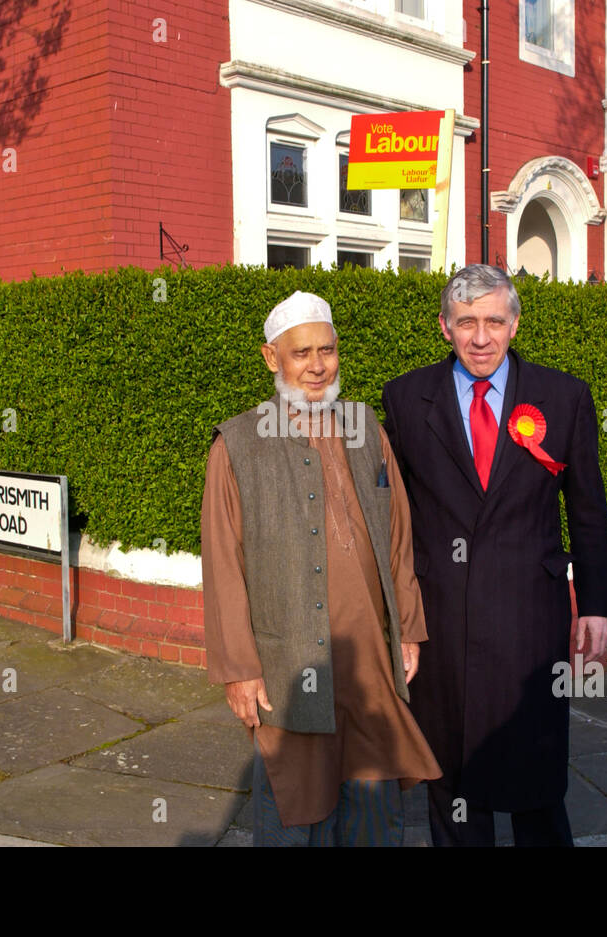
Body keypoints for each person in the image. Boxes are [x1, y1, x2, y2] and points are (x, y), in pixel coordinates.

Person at [381, 264, 607, 847]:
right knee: (454, 782)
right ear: (444, 327)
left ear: (514, 324)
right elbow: (396, 518)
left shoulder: (563, 397)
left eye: (492, 320)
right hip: (443, 618)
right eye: (466, 322)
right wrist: (398, 616)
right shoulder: (407, 398)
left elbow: (587, 508)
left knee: (535, 777)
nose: (480, 337)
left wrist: (597, 605)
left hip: (528, 619)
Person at [201, 290, 441, 846]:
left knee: (375, 808)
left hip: (370, 665)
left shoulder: (366, 428)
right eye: (301, 353)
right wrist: (239, 668)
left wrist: (407, 628)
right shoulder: (237, 444)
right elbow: (223, 565)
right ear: (271, 358)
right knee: (295, 811)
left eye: (327, 351)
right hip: (289, 664)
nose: (316, 366)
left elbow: (398, 537)